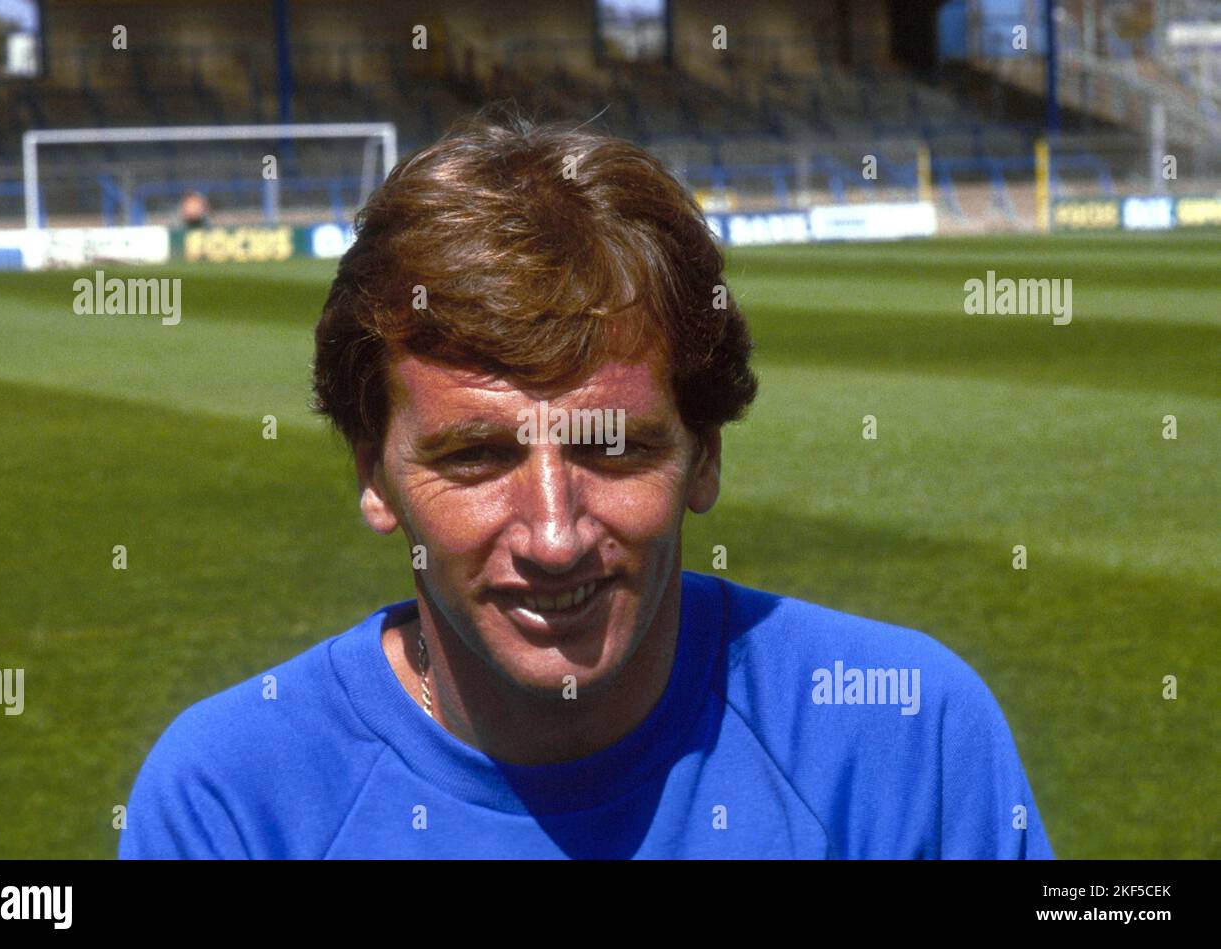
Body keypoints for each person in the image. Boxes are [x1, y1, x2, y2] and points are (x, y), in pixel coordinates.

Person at [119, 112, 1054, 859]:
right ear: (374, 474)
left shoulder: (901, 734)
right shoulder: (232, 803)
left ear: (708, 454)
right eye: (477, 456)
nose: (554, 535)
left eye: (612, 451)